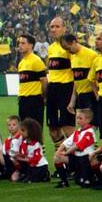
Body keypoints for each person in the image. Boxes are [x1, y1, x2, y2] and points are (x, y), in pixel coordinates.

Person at [43, 16, 74, 146]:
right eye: (52, 27)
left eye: (57, 26)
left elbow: (76, 70)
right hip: (53, 88)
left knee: (68, 128)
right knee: (53, 130)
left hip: (66, 88)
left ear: (64, 28)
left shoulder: (68, 46)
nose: (54, 30)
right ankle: (62, 162)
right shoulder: (51, 48)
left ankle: (80, 159)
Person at [55, 108, 98, 188]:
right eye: (77, 118)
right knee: (57, 158)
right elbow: (66, 142)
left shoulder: (89, 132)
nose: (78, 120)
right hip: (77, 158)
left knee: (84, 183)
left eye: (80, 118)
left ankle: (94, 177)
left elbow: (78, 146)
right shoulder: (78, 131)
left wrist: (66, 153)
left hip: (85, 160)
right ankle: (64, 182)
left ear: (88, 120)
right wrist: (59, 151)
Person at [14, 33, 47, 128]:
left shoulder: (36, 60)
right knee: (24, 129)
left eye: (23, 43)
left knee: (34, 128)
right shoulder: (22, 62)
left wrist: (44, 97)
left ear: (31, 45)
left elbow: (44, 80)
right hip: (23, 99)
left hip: (34, 99)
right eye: (19, 43)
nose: (20, 45)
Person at [68, 32, 98, 127]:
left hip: (92, 95)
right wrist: (72, 101)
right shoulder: (73, 57)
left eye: (68, 47)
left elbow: (98, 76)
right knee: (84, 126)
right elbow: (76, 82)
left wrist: (97, 94)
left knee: (93, 126)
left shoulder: (91, 55)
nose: (68, 50)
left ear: (74, 42)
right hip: (81, 96)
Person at [11, 118, 48, 184]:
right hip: (32, 166)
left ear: (31, 131)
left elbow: (35, 159)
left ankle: (44, 175)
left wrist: (21, 159)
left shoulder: (36, 145)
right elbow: (26, 154)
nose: (21, 132)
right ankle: (27, 175)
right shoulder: (24, 142)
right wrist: (18, 155)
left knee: (31, 178)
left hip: (40, 167)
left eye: (23, 130)